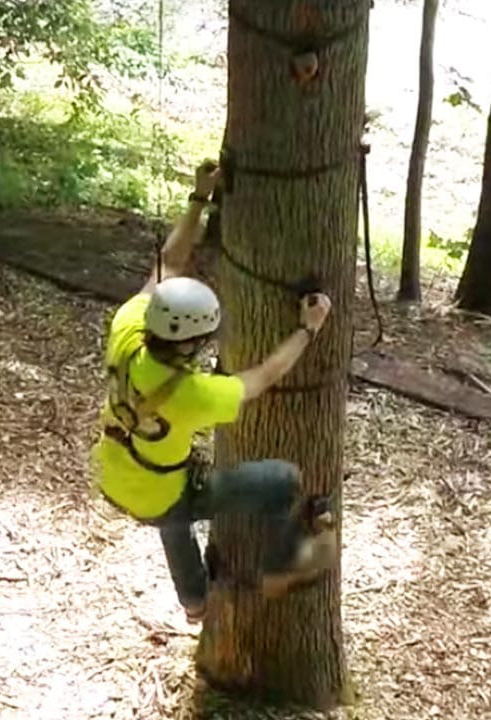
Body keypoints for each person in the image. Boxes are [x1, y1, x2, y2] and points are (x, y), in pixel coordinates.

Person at [91, 159, 338, 623]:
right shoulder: (193, 394)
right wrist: (308, 330)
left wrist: (200, 195)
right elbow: (263, 377)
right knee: (283, 481)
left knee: (169, 502)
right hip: (159, 493)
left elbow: (168, 262)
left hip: (113, 475)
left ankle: (194, 599)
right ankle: (282, 568)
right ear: (191, 342)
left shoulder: (127, 327)